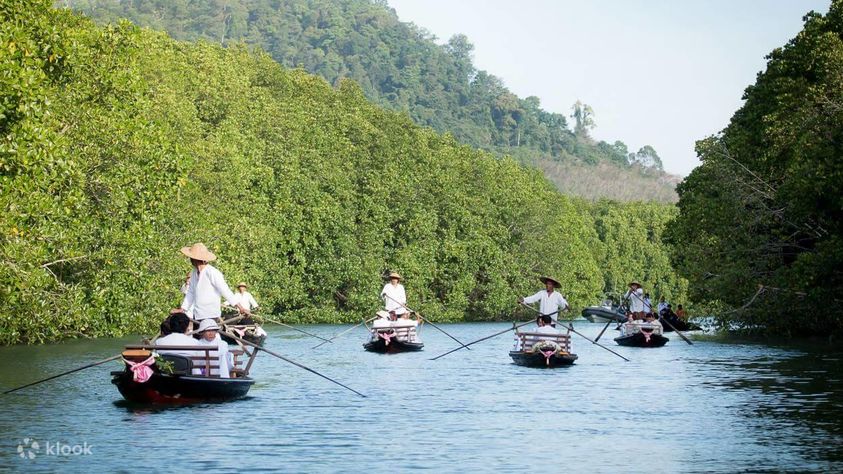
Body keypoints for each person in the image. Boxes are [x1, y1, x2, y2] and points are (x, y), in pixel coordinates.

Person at [178, 243, 249, 326]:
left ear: (194, 259)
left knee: (209, 338)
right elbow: (190, 292)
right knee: (198, 338)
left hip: (211, 315)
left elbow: (225, 291)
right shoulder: (194, 273)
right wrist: (183, 309)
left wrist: (241, 308)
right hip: (197, 315)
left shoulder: (212, 272)